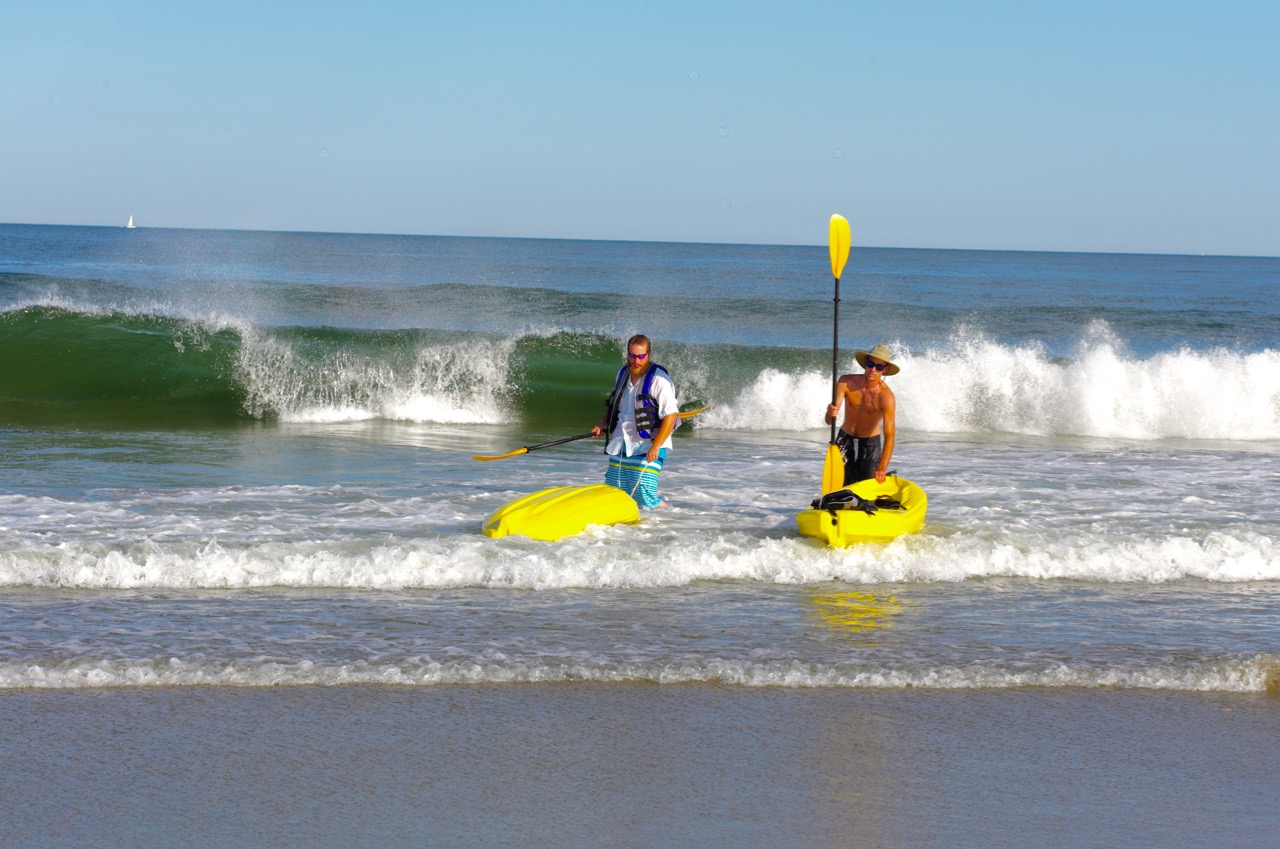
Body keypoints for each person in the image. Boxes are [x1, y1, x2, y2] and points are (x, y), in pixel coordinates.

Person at [591, 334, 681, 508]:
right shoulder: (623, 373)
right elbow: (617, 405)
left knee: (644, 495)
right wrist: (602, 424)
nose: (636, 361)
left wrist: (656, 447)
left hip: (650, 443)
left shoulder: (659, 379)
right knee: (615, 490)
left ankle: (671, 516)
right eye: (632, 356)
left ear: (648, 354)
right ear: (627, 354)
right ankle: (626, 529)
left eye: (641, 356)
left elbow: (671, 416)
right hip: (622, 439)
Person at [824, 343, 898, 485]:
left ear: (885, 369)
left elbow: (890, 436)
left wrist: (882, 468)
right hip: (844, 439)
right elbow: (829, 421)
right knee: (841, 486)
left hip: (870, 444)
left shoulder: (886, 397)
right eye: (870, 364)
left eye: (879, 367)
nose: (873, 370)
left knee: (865, 489)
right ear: (865, 363)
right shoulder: (845, 382)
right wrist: (829, 413)